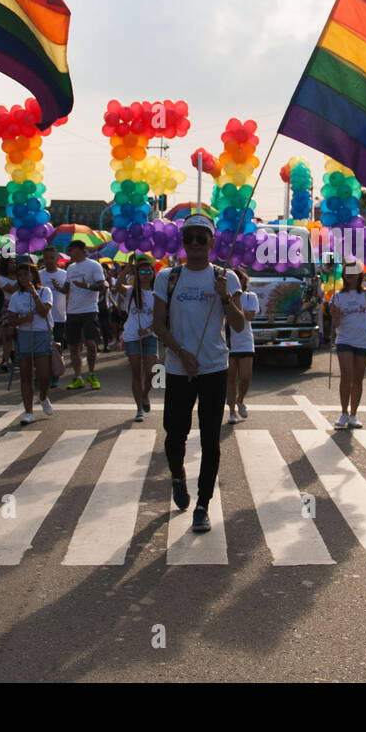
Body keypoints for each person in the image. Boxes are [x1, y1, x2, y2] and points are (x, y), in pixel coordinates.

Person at [152, 214, 244, 533]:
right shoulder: (168, 277)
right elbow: (157, 324)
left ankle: (202, 505)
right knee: (174, 433)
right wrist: (181, 353)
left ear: (211, 243)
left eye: (200, 238)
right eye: (188, 237)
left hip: (214, 369)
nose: (194, 243)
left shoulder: (226, 278)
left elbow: (239, 324)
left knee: (210, 439)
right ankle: (178, 476)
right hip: (179, 369)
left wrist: (224, 296)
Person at [329, 261, 366, 428]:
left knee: (357, 379)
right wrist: (335, 315)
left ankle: (354, 415)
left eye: (354, 272)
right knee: (346, 375)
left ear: (359, 275)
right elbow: (337, 324)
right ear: (344, 275)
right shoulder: (337, 296)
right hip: (345, 340)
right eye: (347, 272)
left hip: (364, 340)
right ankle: (343, 413)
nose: (350, 275)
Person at [6, 262, 54, 425]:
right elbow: (11, 320)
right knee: (25, 375)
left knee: (43, 375)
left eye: (26, 274)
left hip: (41, 335)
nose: (23, 278)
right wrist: (23, 319)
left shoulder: (44, 291)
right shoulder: (16, 296)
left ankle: (43, 396)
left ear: (34, 275)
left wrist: (34, 293)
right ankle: (28, 411)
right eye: (20, 276)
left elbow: (44, 311)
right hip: (24, 335)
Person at [118, 254, 159, 422]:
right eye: (141, 269)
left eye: (148, 269)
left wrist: (148, 329)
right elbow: (117, 285)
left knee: (151, 371)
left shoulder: (157, 293)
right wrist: (127, 269)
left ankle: (144, 394)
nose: (145, 272)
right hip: (131, 336)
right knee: (136, 372)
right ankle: (139, 409)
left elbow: (160, 317)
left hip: (150, 335)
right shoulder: (130, 292)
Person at [63, 240, 106, 390]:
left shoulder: (94, 265)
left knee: (91, 344)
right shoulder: (70, 268)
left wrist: (86, 285)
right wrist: (58, 288)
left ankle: (92, 373)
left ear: (81, 250)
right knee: (74, 346)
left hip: (89, 310)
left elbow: (102, 286)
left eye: (72, 250)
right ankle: (78, 376)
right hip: (72, 311)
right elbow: (66, 288)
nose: (70, 253)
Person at [225, 267, 259, 423]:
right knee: (231, 378)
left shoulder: (250, 296)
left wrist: (234, 306)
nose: (238, 281)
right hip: (229, 341)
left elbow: (250, 316)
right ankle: (232, 412)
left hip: (245, 341)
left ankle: (240, 400)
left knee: (245, 377)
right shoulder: (224, 298)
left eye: (241, 278)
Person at [38, 247, 68, 388]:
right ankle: (42, 374)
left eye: (52, 257)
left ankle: (55, 373)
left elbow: (69, 294)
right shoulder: (38, 275)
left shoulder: (64, 275)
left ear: (57, 259)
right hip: (42, 318)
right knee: (42, 349)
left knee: (57, 347)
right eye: (46, 258)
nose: (49, 260)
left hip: (59, 316)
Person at [0, 258, 18, 371]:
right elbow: (12, 289)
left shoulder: (20, 276)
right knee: (7, 335)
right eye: (10, 262)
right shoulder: (0, 278)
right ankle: (5, 360)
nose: (13, 265)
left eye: (15, 262)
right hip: (8, 306)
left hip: (21, 306)